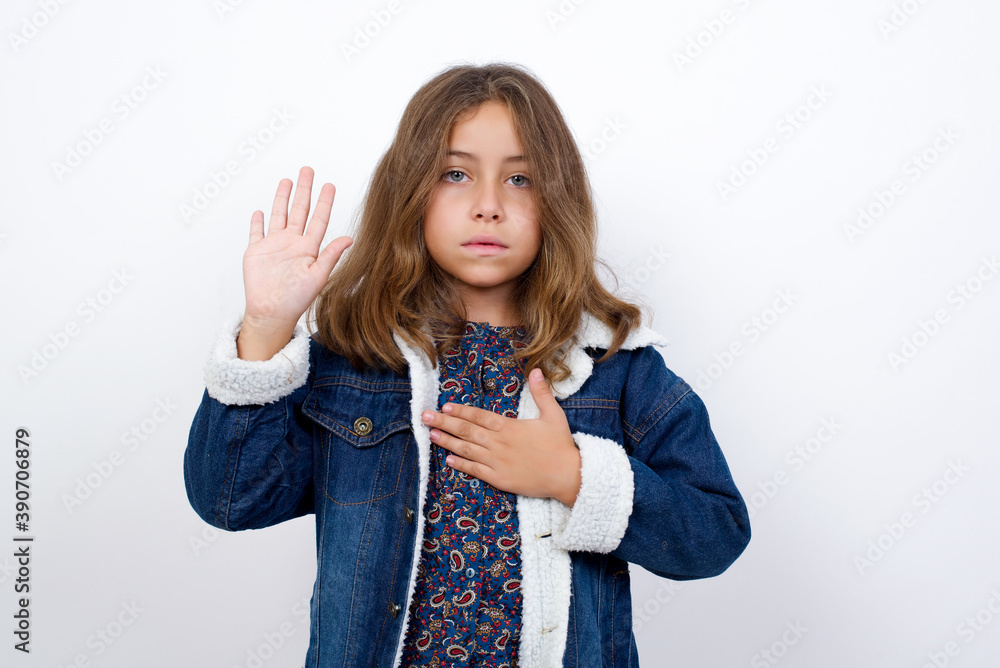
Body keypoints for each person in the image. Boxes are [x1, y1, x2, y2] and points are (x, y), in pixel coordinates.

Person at [184, 62, 750, 668]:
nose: (487, 206)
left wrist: (574, 476)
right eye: (455, 174)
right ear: (412, 194)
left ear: (557, 198)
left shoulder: (618, 369)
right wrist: (265, 332)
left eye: (521, 179)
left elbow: (715, 533)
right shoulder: (352, 360)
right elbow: (230, 501)